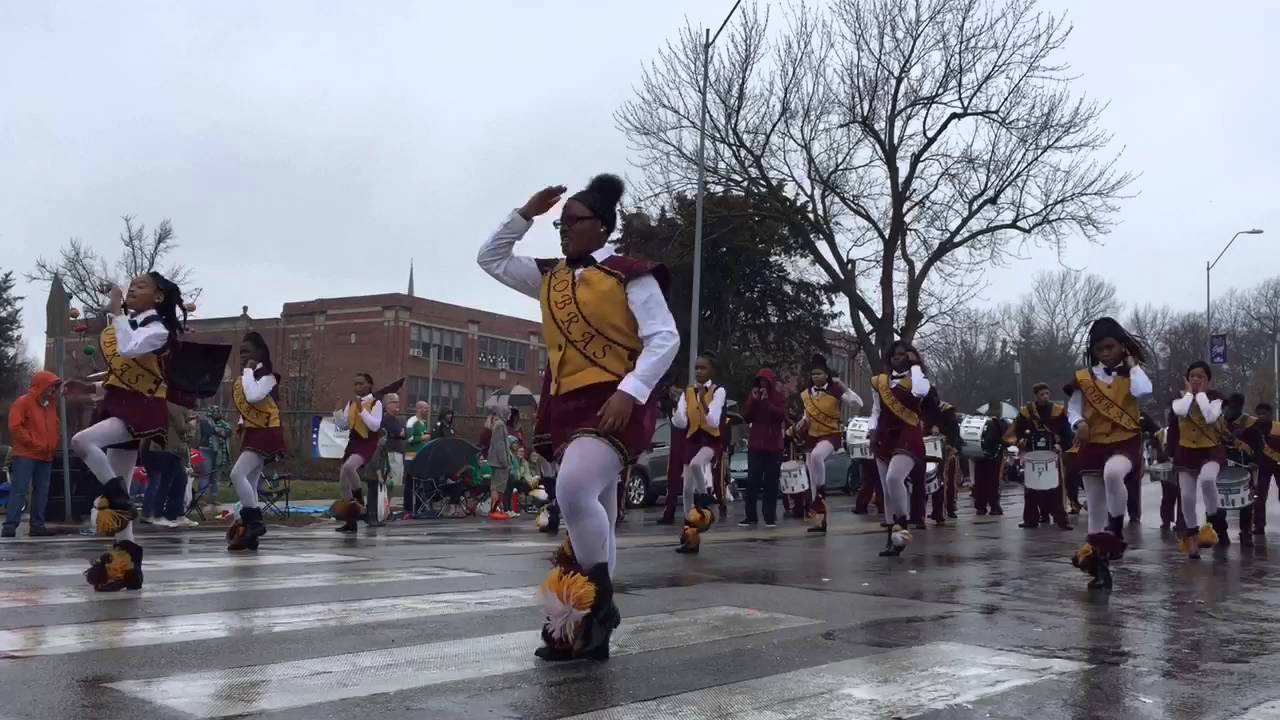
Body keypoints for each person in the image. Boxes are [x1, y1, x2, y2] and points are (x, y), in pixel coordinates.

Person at [477, 176, 678, 662]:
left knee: (571, 491)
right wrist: (525, 212)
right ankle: (586, 629)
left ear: (602, 227)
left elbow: (665, 338)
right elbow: (491, 258)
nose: (563, 230)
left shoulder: (632, 275)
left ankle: (601, 605)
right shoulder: (550, 276)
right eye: (560, 223)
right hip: (566, 405)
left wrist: (630, 392)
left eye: (573, 222)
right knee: (600, 511)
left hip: (616, 401)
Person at [70, 272, 190, 591]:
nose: (133, 289)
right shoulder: (133, 325)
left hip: (140, 408)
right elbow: (120, 373)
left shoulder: (159, 330)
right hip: (118, 402)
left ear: (159, 297)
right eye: (131, 286)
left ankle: (120, 499)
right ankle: (128, 564)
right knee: (117, 476)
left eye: (141, 286)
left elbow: (127, 348)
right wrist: (89, 386)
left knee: (81, 441)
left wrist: (116, 310)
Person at [1067, 317, 1152, 591]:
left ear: (1121, 346)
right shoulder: (1084, 377)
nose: (1105, 353)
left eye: (1110, 347)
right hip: (1092, 444)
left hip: (1124, 442)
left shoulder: (1134, 375)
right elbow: (1073, 409)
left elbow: (1144, 391)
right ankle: (1101, 570)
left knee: (1113, 474)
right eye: (1099, 349)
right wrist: (1077, 423)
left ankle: (1115, 528)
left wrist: (1132, 366)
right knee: (1094, 509)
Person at [868, 341, 929, 556]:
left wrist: (915, 366)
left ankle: (902, 526)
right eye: (894, 355)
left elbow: (921, 391)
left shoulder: (917, 378)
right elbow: (875, 409)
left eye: (902, 354)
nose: (897, 358)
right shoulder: (880, 381)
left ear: (909, 356)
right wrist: (871, 429)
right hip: (884, 435)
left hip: (908, 434)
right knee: (887, 490)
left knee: (894, 478)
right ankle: (893, 538)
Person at [226, 331, 284, 551]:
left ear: (259, 354)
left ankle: (254, 522)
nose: (242, 356)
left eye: (247, 352)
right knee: (250, 481)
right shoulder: (247, 378)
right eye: (240, 352)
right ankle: (249, 536)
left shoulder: (269, 377)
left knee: (237, 474)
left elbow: (254, 396)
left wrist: (249, 369)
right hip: (254, 430)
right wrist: (241, 421)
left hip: (267, 431)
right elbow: (249, 406)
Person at [796, 353, 863, 534]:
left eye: (819, 374)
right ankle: (819, 522)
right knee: (810, 480)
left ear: (826, 375)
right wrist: (801, 424)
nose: (815, 377)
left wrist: (843, 386)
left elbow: (858, 403)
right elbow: (806, 416)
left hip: (830, 435)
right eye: (813, 374)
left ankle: (822, 490)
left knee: (818, 456)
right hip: (811, 436)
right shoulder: (807, 394)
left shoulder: (836, 390)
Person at [1166, 362, 1226, 558]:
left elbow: (1209, 416)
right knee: (1187, 498)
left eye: (1200, 376)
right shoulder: (1179, 399)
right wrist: (1189, 394)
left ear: (1208, 379)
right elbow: (1180, 413)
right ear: (1186, 378)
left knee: (1208, 480)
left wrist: (1200, 394)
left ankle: (1212, 521)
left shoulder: (1216, 398)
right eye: (1192, 376)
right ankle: (1191, 538)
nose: (1196, 379)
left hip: (1210, 450)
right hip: (1185, 452)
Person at [671, 352, 725, 553]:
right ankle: (689, 532)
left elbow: (713, 421)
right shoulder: (688, 392)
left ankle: (705, 499)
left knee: (695, 464)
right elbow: (681, 423)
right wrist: (678, 408)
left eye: (702, 368)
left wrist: (703, 402)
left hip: (712, 439)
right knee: (685, 490)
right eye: (696, 368)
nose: (698, 371)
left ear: (711, 370)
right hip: (693, 439)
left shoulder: (718, 391)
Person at [3, 370, 62, 538]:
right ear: (41, 385)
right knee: (19, 490)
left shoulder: (50, 405)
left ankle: (37, 525)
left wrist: (52, 444)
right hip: (26, 454)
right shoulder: (22, 402)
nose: (53, 390)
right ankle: (9, 526)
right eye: (51, 386)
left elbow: (56, 427)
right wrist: (34, 443)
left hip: (45, 455)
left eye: (54, 387)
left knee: (41, 491)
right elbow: (15, 427)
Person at [1011, 383, 1073, 530]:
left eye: (1047, 393)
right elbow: (1018, 430)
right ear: (1036, 396)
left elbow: (1067, 432)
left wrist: (1061, 445)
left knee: (1055, 488)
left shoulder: (1058, 411)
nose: (1045, 396)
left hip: (1052, 453)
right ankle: (1031, 519)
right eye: (1042, 394)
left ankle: (1061, 520)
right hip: (1032, 454)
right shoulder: (1026, 412)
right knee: (1031, 488)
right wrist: (1021, 441)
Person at [331, 373, 383, 533]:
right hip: (353, 442)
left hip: (367, 442)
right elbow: (344, 425)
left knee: (349, 467)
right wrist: (337, 412)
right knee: (343, 481)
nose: (357, 387)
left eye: (360, 384)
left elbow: (375, 426)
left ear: (369, 385)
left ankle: (360, 502)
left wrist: (362, 411)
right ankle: (351, 521)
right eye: (355, 384)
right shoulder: (351, 403)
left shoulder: (376, 403)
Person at [739, 367, 786, 528]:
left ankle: (770, 516)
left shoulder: (778, 397)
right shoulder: (754, 397)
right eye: (760, 383)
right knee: (752, 481)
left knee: (771, 483)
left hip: (774, 446)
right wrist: (753, 400)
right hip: (756, 445)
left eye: (765, 383)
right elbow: (746, 416)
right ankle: (750, 516)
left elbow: (780, 416)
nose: (762, 386)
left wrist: (766, 402)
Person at [141, 402, 197, 529]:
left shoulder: (180, 407)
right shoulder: (174, 405)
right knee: (164, 482)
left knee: (180, 481)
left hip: (175, 449)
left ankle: (177, 514)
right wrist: (191, 424)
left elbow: (187, 434)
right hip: (167, 449)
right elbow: (181, 427)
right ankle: (158, 514)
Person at [1222, 393, 1262, 546]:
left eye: (1233, 406)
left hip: (1245, 465)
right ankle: (1220, 531)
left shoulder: (1250, 423)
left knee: (1246, 500)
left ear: (1240, 406)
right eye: (1227, 406)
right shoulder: (1219, 422)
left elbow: (1259, 445)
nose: (1229, 410)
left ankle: (1246, 532)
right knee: (1220, 500)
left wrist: (1254, 461)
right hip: (1223, 465)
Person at [927, 401, 963, 527]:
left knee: (948, 480)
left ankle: (949, 508)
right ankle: (938, 510)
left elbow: (954, 430)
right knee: (935, 480)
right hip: (933, 448)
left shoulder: (947, 411)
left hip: (947, 450)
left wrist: (950, 444)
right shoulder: (928, 409)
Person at [657, 383, 687, 525]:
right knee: (672, 479)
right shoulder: (669, 404)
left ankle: (694, 512)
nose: (674, 391)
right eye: (672, 389)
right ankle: (669, 513)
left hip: (689, 442)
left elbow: (682, 421)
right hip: (676, 445)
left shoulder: (688, 400)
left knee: (690, 480)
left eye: (676, 388)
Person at [972, 402, 1007, 516]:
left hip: (979, 454)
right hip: (994, 456)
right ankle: (994, 506)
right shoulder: (999, 422)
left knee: (980, 481)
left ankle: (980, 507)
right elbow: (1006, 439)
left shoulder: (980, 421)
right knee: (993, 482)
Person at [1249, 403, 1277, 533]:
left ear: (1270, 414)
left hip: (1278, 464)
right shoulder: (1254, 430)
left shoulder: (1277, 428)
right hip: (1263, 466)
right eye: (1259, 414)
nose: (1261, 416)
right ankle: (1259, 525)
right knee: (1260, 496)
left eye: (1264, 413)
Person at [196, 405, 230, 506]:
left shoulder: (224, 423)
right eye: (215, 411)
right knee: (205, 474)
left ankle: (214, 498)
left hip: (219, 452)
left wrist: (218, 431)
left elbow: (229, 432)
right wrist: (219, 431)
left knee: (215, 476)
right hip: (206, 450)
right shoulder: (204, 422)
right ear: (211, 412)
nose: (218, 413)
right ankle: (201, 498)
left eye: (218, 411)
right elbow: (209, 430)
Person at [403, 400, 432, 515]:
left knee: (419, 483)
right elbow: (409, 438)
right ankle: (408, 507)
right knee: (410, 483)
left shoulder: (422, 422)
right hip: (411, 458)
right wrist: (423, 437)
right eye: (425, 408)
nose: (427, 411)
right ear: (419, 408)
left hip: (420, 457)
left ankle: (419, 506)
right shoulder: (412, 421)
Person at [485, 405, 513, 521]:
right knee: (498, 487)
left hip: (496, 461)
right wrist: (505, 461)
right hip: (500, 462)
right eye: (508, 413)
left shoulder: (498, 424)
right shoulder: (500, 425)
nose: (510, 415)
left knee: (497, 486)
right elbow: (500, 445)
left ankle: (496, 508)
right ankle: (494, 509)